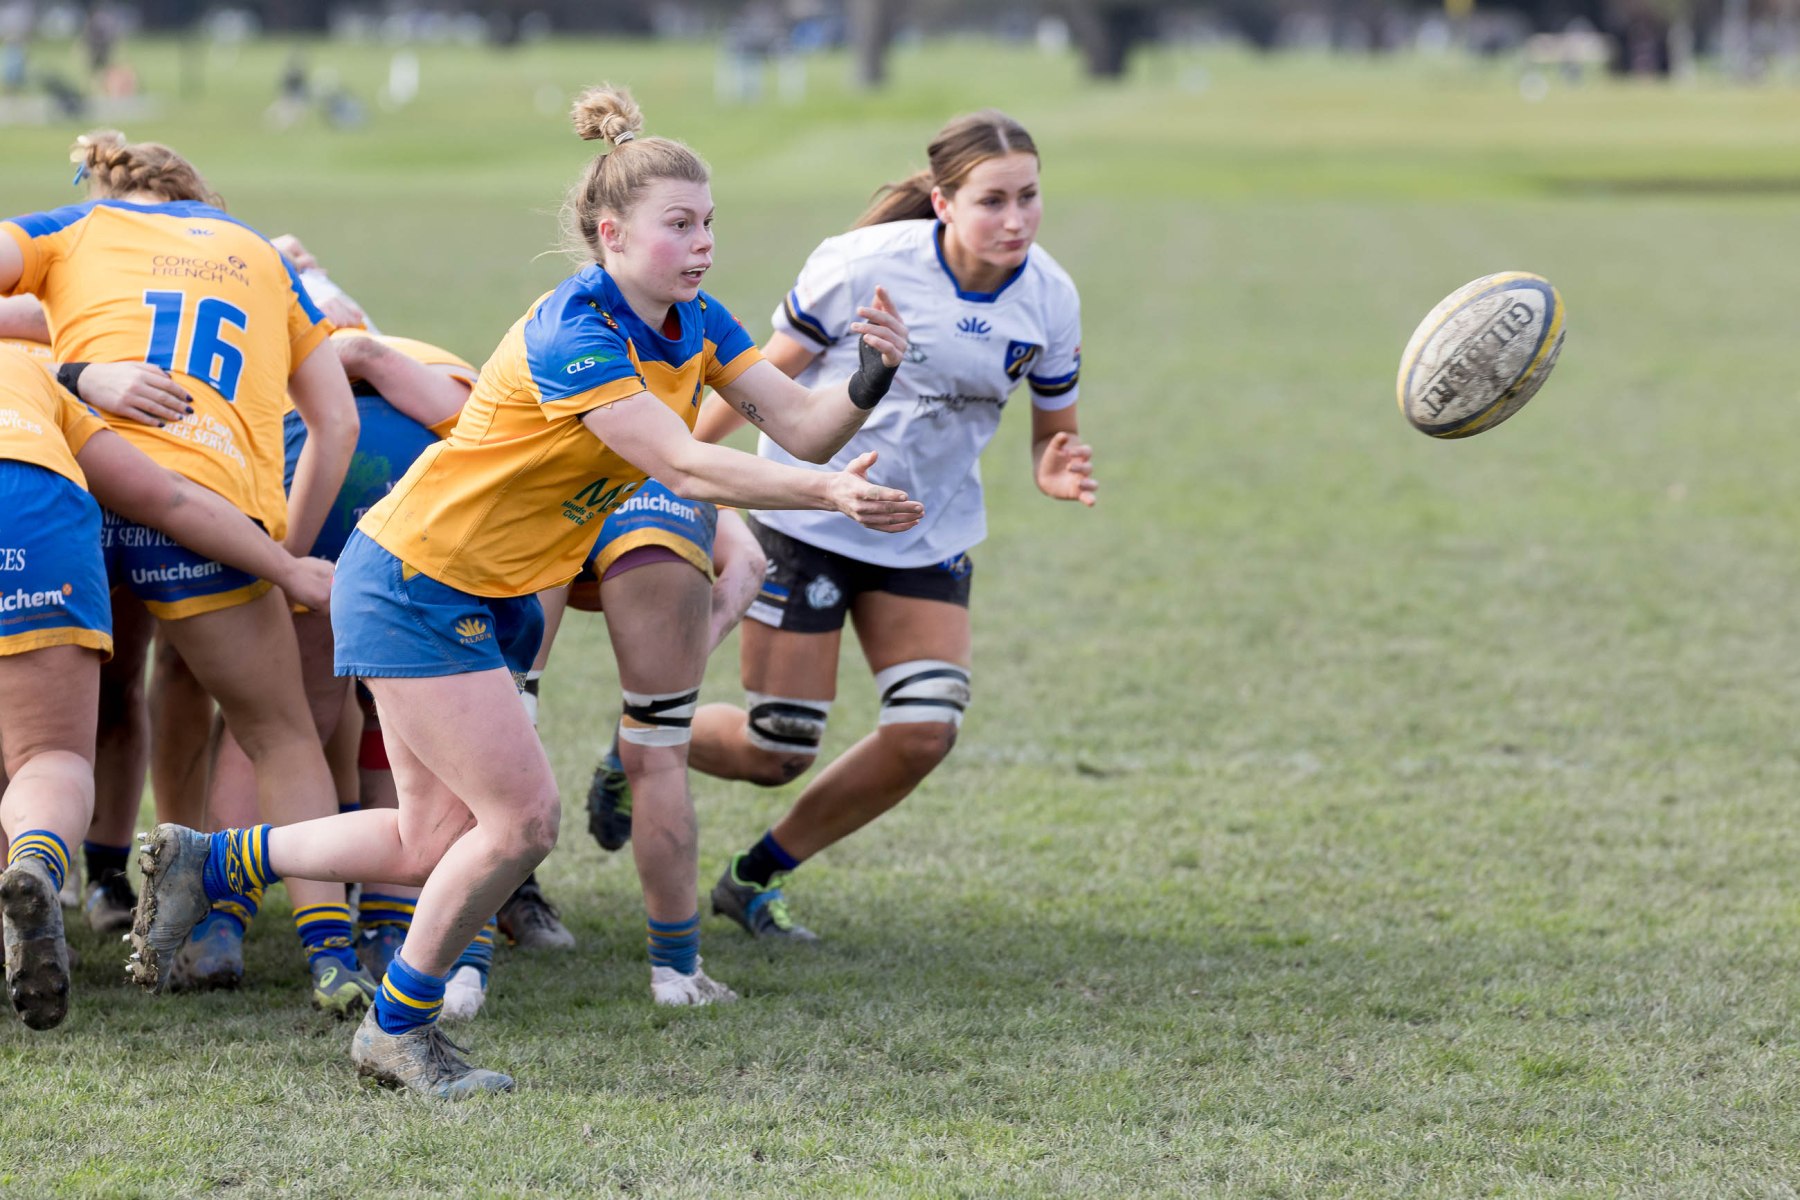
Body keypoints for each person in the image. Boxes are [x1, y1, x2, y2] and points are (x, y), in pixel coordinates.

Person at [128, 83, 921, 1098]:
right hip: (415, 582)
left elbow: (803, 424)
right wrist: (831, 495)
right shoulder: (572, 331)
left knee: (432, 838)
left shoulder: (696, 320)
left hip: (462, 588)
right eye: (679, 225)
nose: (702, 243)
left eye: (709, 223)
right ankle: (397, 1030)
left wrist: (868, 380)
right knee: (523, 822)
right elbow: (682, 465)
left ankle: (217, 859)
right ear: (611, 233)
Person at [690, 109, 1096, 941]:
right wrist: (677, 462)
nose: (1015, 219)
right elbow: (759, 381)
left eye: (1029, 197)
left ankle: (752, 878)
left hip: (926, 531)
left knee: (925, 729)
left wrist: (1054, 463)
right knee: (778, 747)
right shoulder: (864, 267)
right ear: (943, 202)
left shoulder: (1051, 297)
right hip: (810, 515)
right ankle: (642, 736)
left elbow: (1054, 431)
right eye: (992, 201)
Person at [0, 130, 369, 1014]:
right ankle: (328, 954)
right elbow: (338, 424)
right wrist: (285, 560)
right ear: (202, 200)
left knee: (89, 703)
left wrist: (79, 370)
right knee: (276, 732)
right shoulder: (257, 252)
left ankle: (93, 882)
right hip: (204, 508)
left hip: (77, 490)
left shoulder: (75, 226)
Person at [0, 344, 331, 1031]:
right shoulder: (30, 372)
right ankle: (34, 860)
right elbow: (166, 495)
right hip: (34, 501)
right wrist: (286, 567)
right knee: (48, 757)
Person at [531, 480, 765, 1008]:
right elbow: (749, 562)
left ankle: (461, 974)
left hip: (537, 472)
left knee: (504, 722)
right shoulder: (681, 420)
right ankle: (677, 974)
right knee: (659, 747)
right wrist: (673, 680)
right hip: (658, 486)